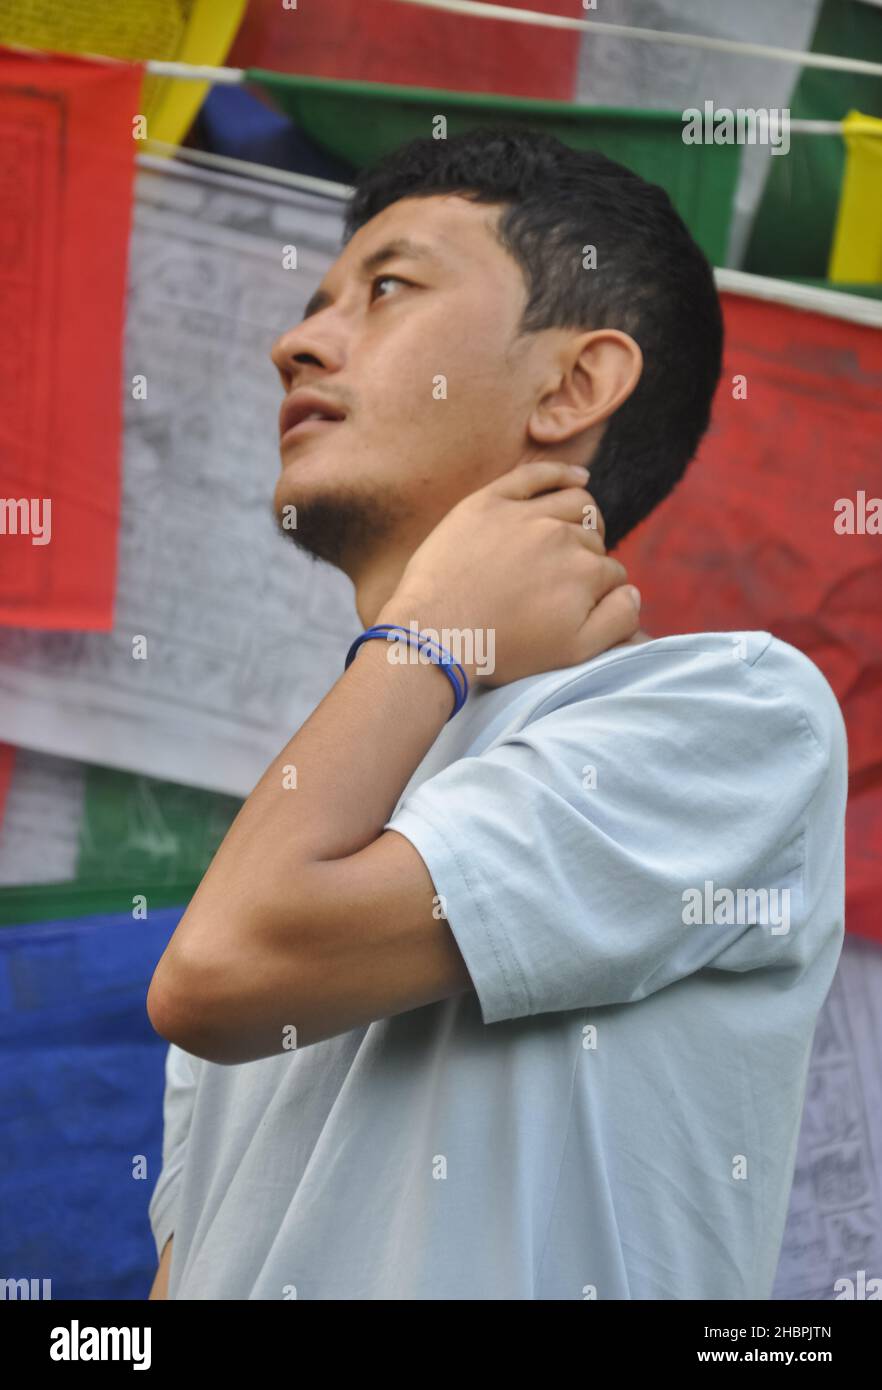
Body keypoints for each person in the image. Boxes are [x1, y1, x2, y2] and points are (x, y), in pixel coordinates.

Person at [146, 128, 846, 1300]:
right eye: (320, 303)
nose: (295, 342)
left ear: (575, 384)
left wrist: (429, 637)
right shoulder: (302, 825)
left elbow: (217, 971)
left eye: (387, 289)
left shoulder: (735, 710)